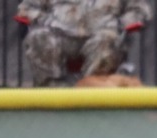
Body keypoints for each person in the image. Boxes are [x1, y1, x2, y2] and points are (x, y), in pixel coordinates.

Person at [14, 0, 148, 87]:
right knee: (39, 36)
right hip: (59, 33)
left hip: (101, 34)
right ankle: (52, 91)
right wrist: (44, 19)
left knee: (107, 40)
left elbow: (139, 10)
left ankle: (93, 91)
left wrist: (121, 24)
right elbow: (27, 8)